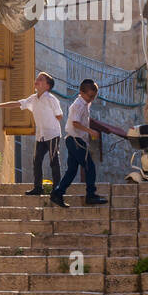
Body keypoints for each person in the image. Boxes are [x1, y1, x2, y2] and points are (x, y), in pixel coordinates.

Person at [0, 72, 63, 196]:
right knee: (37, 161)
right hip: (40, 135)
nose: (37, 80)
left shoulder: (51, 99)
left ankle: (57, 188)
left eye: (41, 79)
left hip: (52, 134)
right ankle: (37, 187)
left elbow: (59, 115)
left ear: (47, 86)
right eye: (37, 78)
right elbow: (17, 103)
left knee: (53, 160)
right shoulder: (33, 99)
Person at [50, 79, 108, 208]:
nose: (91, 99)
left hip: (74, 140)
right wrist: (90, 131)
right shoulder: (78, 104)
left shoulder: (85, 103)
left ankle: (58, 193)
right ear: (81, 92)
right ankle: (91, 195)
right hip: (75, 140)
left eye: (94, 96)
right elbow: (75, 123)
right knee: (90, 167)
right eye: (90, 96)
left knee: (71, 171)